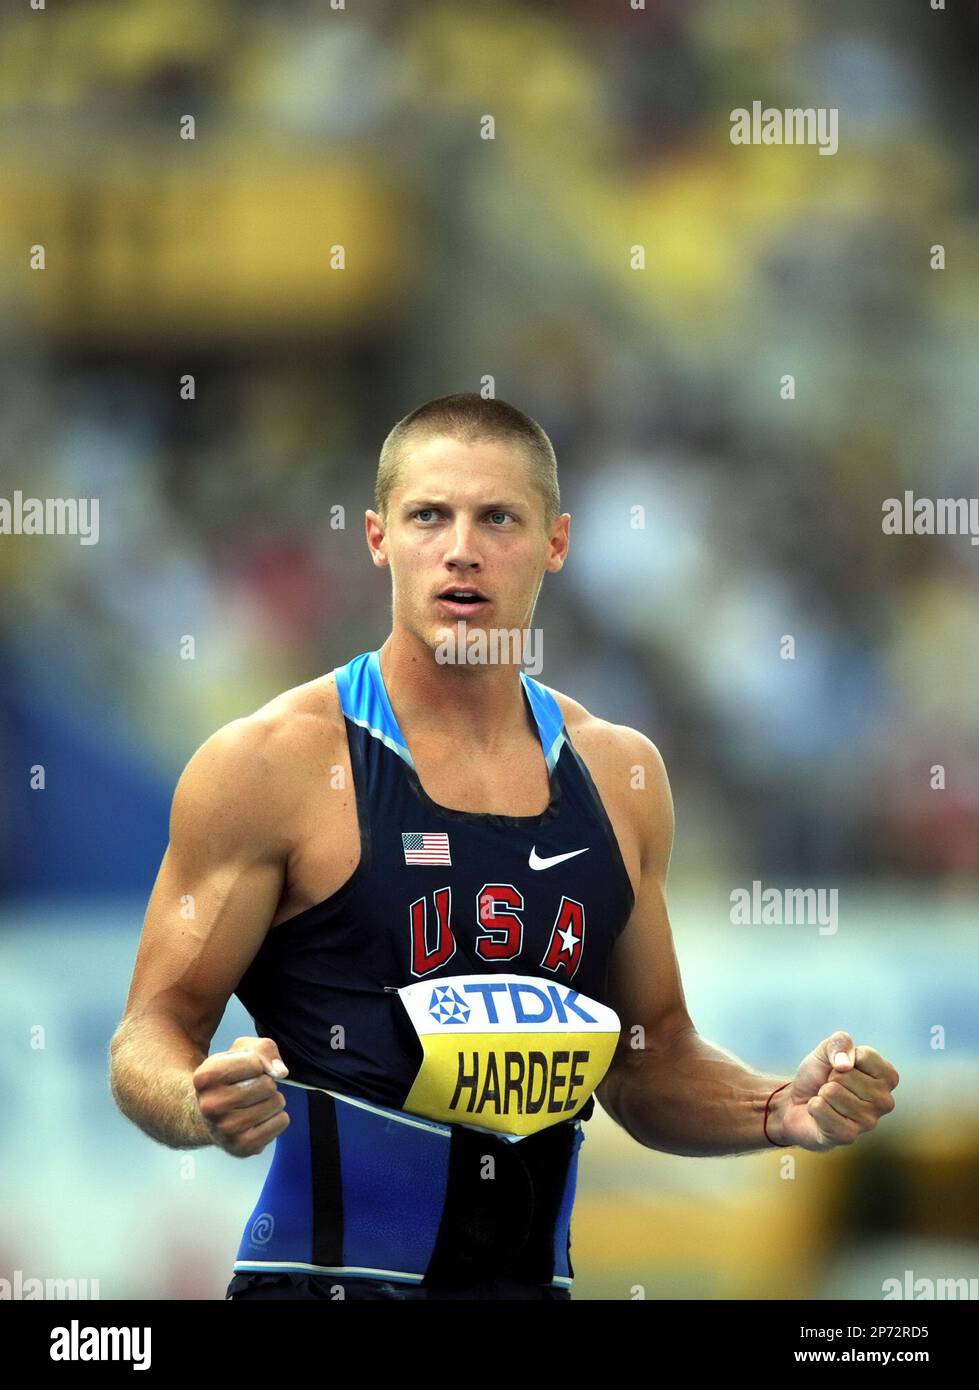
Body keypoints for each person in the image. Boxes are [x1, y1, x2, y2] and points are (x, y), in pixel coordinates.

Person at [109, 393, 899, 1301]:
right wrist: (197, 1101)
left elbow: (648, 1061)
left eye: (497, 519)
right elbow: (151, 1032)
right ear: (377, 538)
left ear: (555, 543)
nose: (461, 549)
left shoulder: (618, 775)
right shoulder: (271, 764)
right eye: (428, 517)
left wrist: (777, 1109)